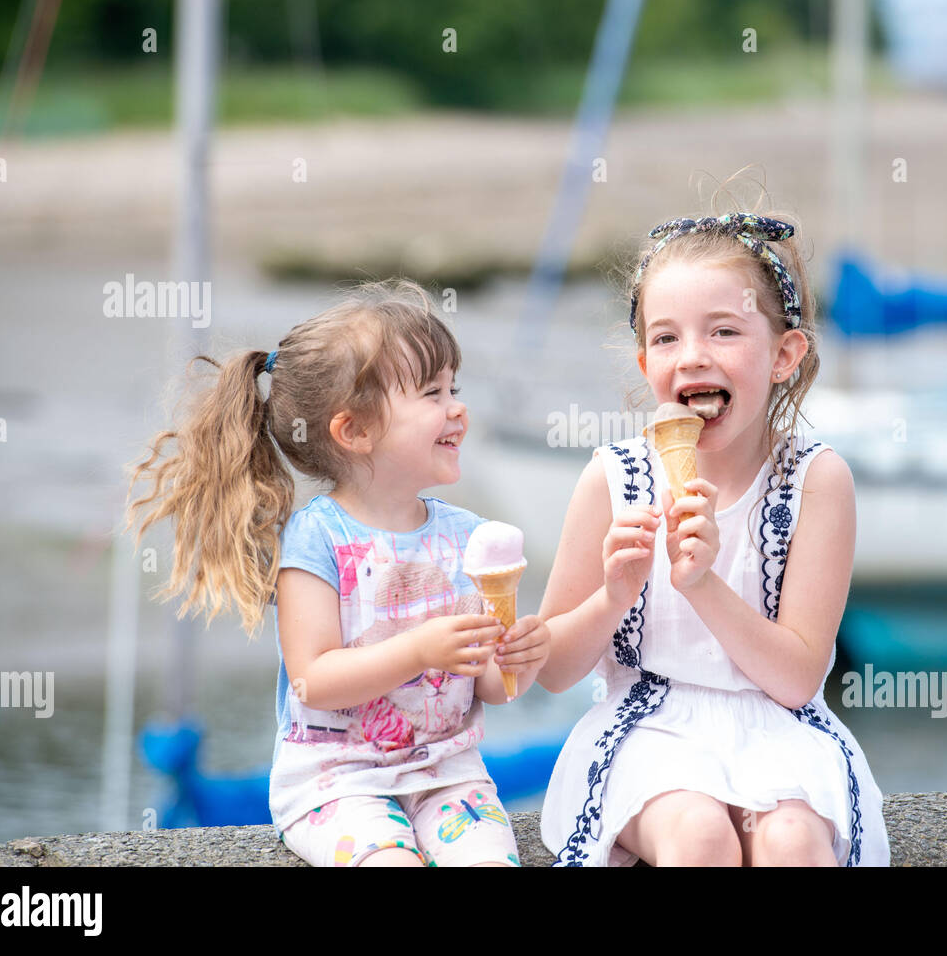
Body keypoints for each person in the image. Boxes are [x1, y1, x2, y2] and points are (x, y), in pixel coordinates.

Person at [125, 279, 550, 867]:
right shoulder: (317, 538)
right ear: (354, 431)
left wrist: (517, 661)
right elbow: (314, 679)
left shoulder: (467, 536)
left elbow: (491, 689)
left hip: (448, 773)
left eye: (455, 387)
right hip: (338, 782)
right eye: (431, 392)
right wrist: (421, 649)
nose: (457, 407)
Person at [536, 209, 891, 867]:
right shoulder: (612, 481)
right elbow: (552, 668)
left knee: (792, 843)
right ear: (646, 363)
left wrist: (701, 583)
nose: (693, 354)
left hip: (778, 728)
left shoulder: (817, 481)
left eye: (724, 331)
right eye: (667, 338)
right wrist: (614, 595)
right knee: (700, 838)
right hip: (649, 724)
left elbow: (796, 677)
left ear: (784, 354)